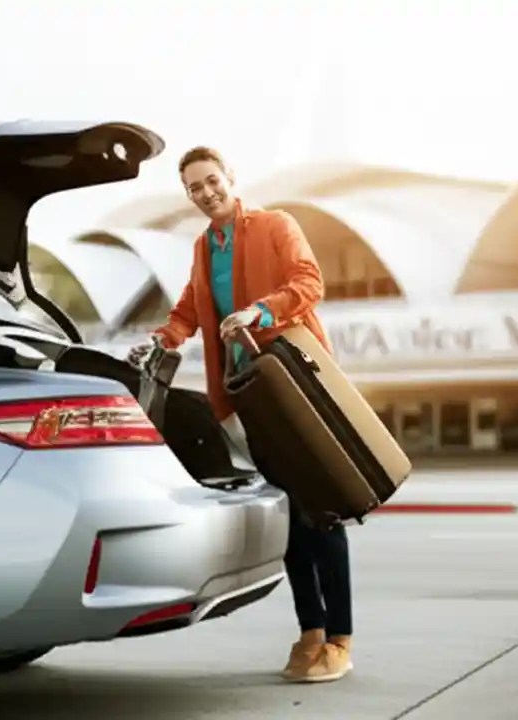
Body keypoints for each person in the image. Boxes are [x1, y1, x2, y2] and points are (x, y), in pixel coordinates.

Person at [128, 146, 354, 683]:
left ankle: (341, 638)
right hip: (247, 395)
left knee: (320, 510)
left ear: (231, 177)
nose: (206, 194)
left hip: (293, 385)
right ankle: (311, 631)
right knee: (289, 515)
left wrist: (261, 310)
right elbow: (189, 309)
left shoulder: (276, 225)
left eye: (211, 181)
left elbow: (309, 282)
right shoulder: (206, 248)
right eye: (194, 189)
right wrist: (163, 338)